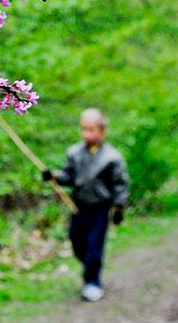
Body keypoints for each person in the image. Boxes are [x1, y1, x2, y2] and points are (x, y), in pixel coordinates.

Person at [42, 108, 129, 303]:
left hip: (100, 208)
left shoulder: (112, 158)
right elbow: (68, 177)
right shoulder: (74, 153)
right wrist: (54, 176)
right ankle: (91, 265)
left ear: (102, 131)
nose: (86, 134)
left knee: (94, 245)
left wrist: (119, 208)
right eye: (83, 129)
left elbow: (120, 184)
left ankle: (92, 283)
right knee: (76, 241)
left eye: (91, 130)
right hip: (78, 206)